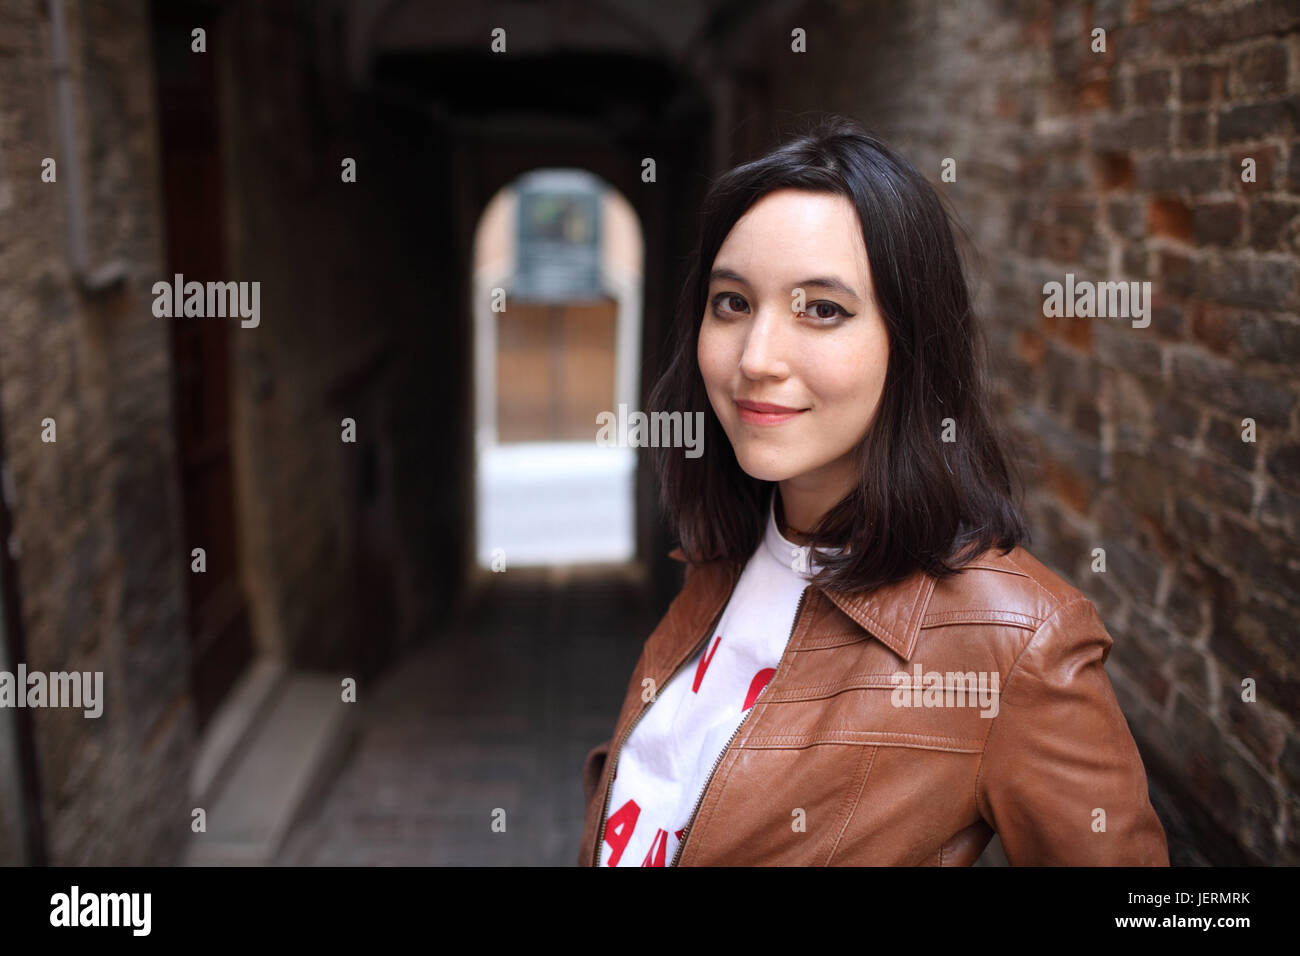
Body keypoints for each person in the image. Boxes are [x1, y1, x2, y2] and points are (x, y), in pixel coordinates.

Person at [577, 115, 1170, 867]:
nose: (756, 358)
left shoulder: (1016, 641)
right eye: (732, 302)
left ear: (910, 342)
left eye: (822, 310)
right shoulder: (719, 558)